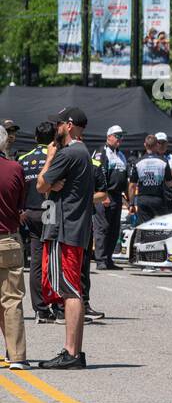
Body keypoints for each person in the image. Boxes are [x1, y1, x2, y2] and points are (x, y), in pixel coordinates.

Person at [36, 106, 97, 369]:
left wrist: (50, 158)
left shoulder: (68, 153)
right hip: (73, 228)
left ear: (69, 125)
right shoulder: (82, 152)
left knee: (70, 291)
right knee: (72, 289)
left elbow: (40, 185)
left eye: (59, 123)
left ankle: (71, 353)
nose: (55, 128)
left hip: (65, 229)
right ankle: (74, 352)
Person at [17, 121, 56, 322]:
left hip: (30, 212)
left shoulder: (23, 159)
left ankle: (40, 309)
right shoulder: (56, 155)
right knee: (55, 258)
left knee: (35, 261)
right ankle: (57, 305)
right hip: (51, 211)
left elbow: (18, 186)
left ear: (35, 139)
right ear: (53, 138)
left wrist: (20, 209)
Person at [0, 123, 28, 368]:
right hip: (8, 238)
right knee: (12, 299)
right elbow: (20, 207)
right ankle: (16, 355)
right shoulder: (15, 168)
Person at [91, 124, 128, 270]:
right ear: (109, 137)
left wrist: (126, 197)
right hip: (104, 195)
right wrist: (103, 195)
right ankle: (100, 259)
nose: (120, 139)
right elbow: (97, 174)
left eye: (121, 136)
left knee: (114, 229)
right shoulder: (101, 152)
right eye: (117, 136)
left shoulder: (121, 155)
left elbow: (123, 177)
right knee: (102, 227)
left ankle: (109, 258)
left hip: (117, 196)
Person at [128, 135, 172, 223]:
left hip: (143, 200)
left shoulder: (137, 162)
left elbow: (132, 186)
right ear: (157, 145)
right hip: (158, 200)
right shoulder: (163, 161)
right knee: (160, 228)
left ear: (145, 145)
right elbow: (169, 183)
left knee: (144, 228)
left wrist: (131, 204)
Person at [154, 131, 172, 214]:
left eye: (164, 142)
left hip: (170, 196)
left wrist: (171, 173)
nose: (161, 145)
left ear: (167, 143)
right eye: (159, 142)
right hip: (154, 196)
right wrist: (171, 171)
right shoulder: (150, 157)